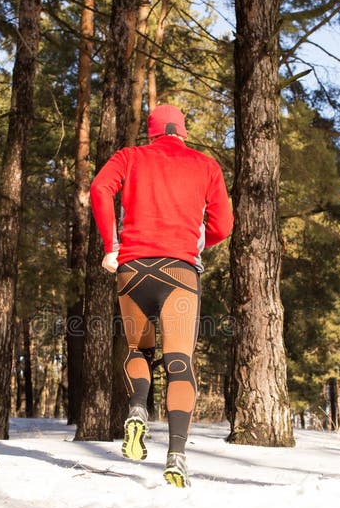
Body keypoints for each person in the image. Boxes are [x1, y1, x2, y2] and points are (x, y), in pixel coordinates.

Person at [90, 104, 233, 488]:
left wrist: (111, 245)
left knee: (139, 349)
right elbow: (224, 224)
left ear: (152, 132)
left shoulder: (130, 157)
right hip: (179, 273)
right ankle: (177, 456)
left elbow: (99, 188)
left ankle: (137, 409)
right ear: (182, 131)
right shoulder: (206, 166)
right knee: (179, 362)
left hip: (133, 270)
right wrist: (196, 242)